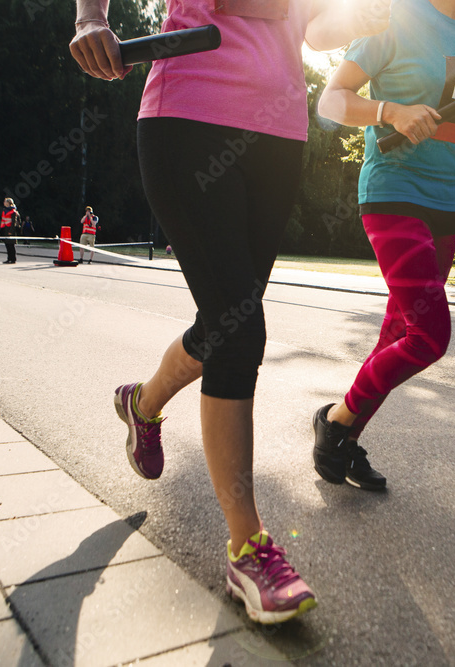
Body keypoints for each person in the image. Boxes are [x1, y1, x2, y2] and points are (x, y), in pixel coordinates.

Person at [70, 0, 390, 623]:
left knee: (224, 323)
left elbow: (312, 24)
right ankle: (249, 550)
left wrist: (362, 19)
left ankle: (141, 404)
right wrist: (90, 17)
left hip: (277, 130)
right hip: (190, 113)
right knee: (240, 325)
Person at [312, 0, 455, 490]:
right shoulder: (395, 17)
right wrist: (391, 111)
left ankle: (344, 434)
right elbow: (331, 100)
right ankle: (336, 422)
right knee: (429, 336)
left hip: (447, 203)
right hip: (394, 191)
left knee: (397, 333)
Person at [0, 197, 20, 263]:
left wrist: (11, 231)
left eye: (5, 201)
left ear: (8, 203)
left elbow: (13, 222)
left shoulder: (13, 211)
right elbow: (3, 220)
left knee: (11, 245)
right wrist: (1, 229)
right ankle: (9, 258)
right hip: (5, 229)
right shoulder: (5, 210)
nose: (4, 203)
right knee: (7, 244)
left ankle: (13, 259)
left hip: (10, 230)